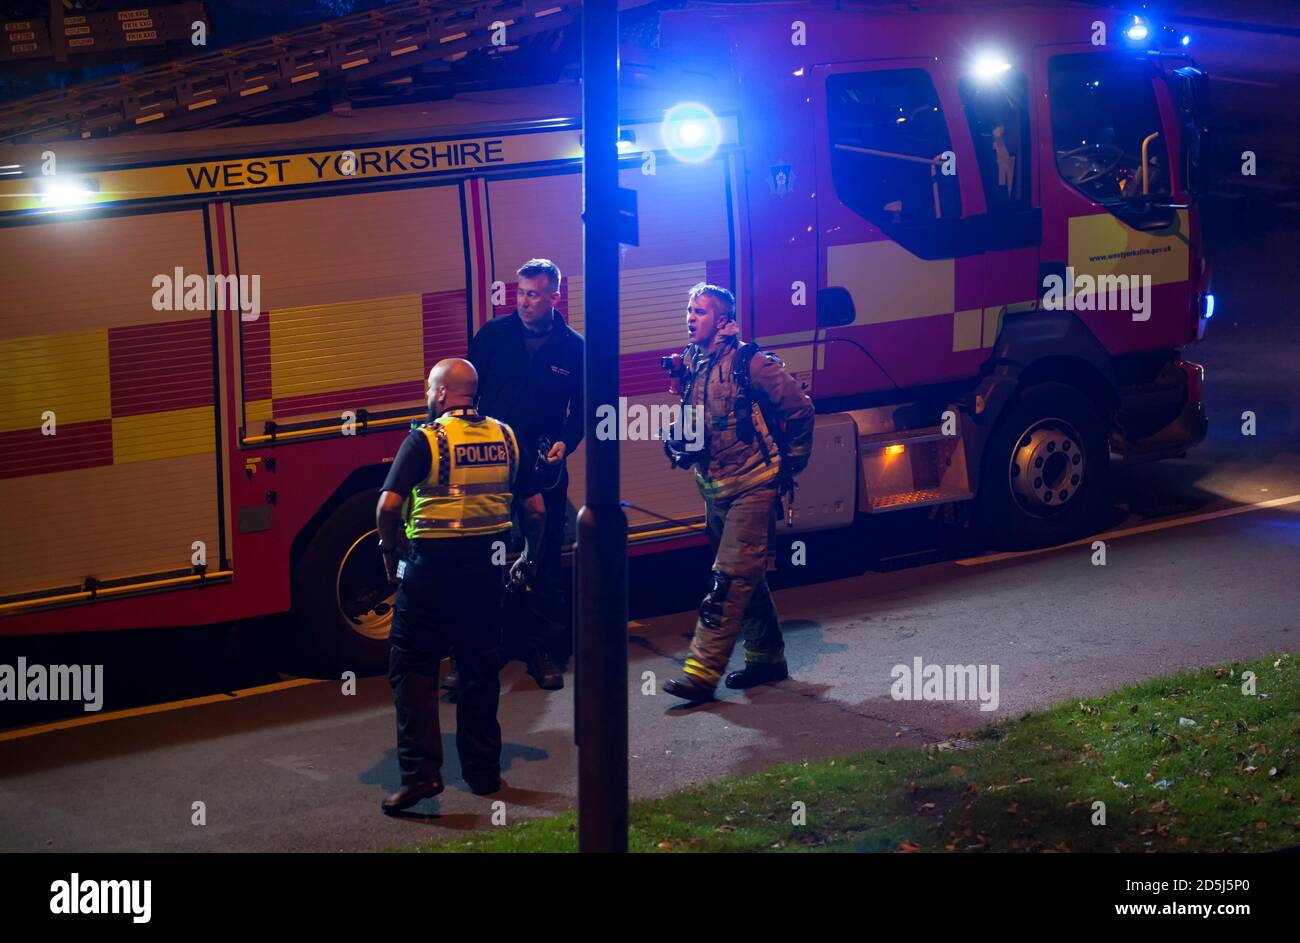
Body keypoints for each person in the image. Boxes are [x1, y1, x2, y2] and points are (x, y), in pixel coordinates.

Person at [376, 358, 543, 813]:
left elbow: (388, 506)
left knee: (412, 667)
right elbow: (536, 508)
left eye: (430, 388)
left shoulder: (426, 438)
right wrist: (527, 556)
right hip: (485, 570)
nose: (428, 395)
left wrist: (391, 557)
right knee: (479, 668)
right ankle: (484, 773)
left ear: (444, 393)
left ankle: (421, 776)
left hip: (431, 570)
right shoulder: (506, 437)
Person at [661, 284, 815, 702]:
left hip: (754, 486)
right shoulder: (692, 362)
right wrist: (678, 441)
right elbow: (701, 421)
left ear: (723, 320)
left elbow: (800, 409)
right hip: (715, 488)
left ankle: (700, 673)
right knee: (748, 577)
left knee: (728, 581)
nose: (691, 317)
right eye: (689, 309)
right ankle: (767, 658)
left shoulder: (753, 362)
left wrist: (792, 464)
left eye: (700, 311)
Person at [466, 258, 584, 690]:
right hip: (491, 466)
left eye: (533, 294)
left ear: (555, 297)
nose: (523, 302)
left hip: (543, 469)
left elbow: (584, 408)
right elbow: (468, 394)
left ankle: (543, 650)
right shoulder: (493, 337)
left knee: (543, 558)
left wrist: (566, 443)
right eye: (520, 293)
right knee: (489, 555)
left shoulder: (574, 347)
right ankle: (489, 647)